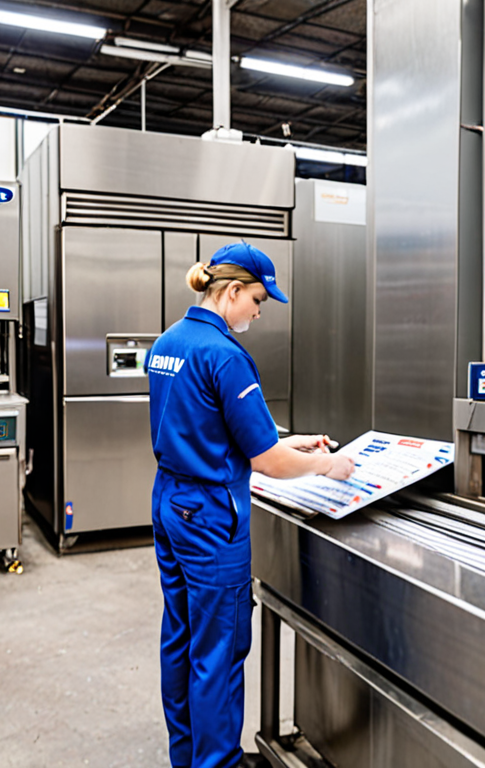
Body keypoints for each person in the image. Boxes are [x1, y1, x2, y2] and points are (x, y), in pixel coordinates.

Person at [147, 242, 356, 768]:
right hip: (211, 517)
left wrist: (296, 442)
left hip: (170, 501)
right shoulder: (227, 355)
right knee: (218, 648)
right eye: (258, 300)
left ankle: (188, 756)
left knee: (182, 635)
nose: (259, 312)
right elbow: (265, 461)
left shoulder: (169, 342)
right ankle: (216, 762)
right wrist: (327, 465)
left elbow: (216, 429)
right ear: (232, 291)